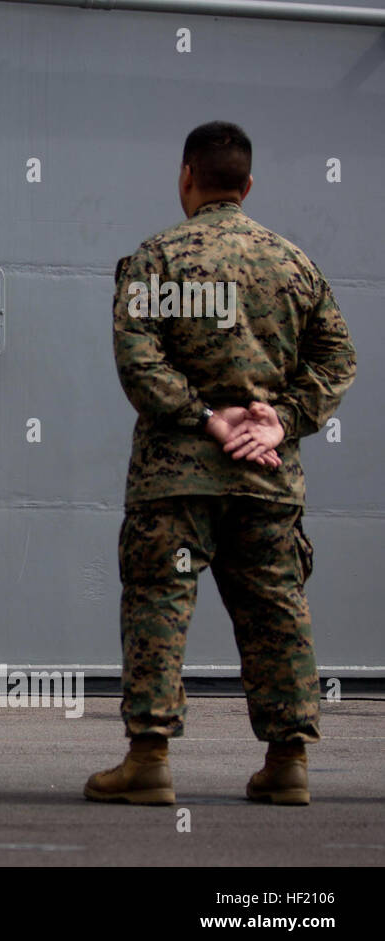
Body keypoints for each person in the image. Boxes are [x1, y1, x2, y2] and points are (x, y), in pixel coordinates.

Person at [86, 121, 356, 806]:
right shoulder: (293, 263)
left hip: (175, 478)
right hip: (267, 478)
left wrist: (206, 417)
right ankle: (288, 762)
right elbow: (336, 359)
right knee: (276, 610)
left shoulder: (158, 257)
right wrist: (280, 419)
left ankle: (149, 760)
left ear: (186, 176)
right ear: (248, 184)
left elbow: (138, 360)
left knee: (160, 603)